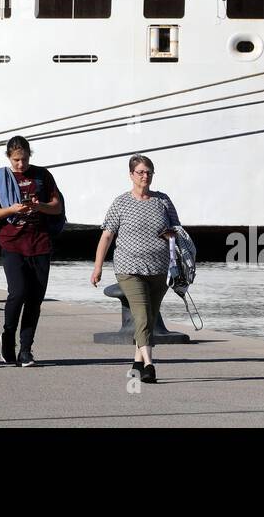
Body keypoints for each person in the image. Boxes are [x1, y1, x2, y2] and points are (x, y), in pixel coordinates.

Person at [90, 154, 182, 384]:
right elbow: (107, 235)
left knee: (149, 318)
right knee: (141, 314)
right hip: (129, 268)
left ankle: (137, 362)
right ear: (131, 175)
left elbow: (177, 231)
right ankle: (150, 366)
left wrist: (174, 243)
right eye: (140, 172)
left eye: (149, 172)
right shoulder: (121, 202)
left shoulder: (163, 201)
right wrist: (98, 267)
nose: (145, 176)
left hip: (159, 269)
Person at [0, 135, 64, 367]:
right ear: (9, 157)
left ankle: (26, 349)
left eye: (25, 159)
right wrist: (11, 209)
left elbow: (57, 205)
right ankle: (8, 335)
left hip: (39, 243)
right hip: (12, 243)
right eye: (17, 159)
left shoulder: (42, 175)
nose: (21, 164)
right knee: (17, 293)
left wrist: (40, 206)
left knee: (34, 299)